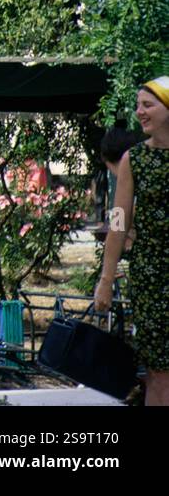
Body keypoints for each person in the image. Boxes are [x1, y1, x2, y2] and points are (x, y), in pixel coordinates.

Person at [96, 77, 169, 406]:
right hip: (151, 277)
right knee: (158, 371)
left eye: (148, 105)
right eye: (138, 104)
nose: (139, 112)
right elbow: (118, 223)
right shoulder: (133, 160)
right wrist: (106, 280)